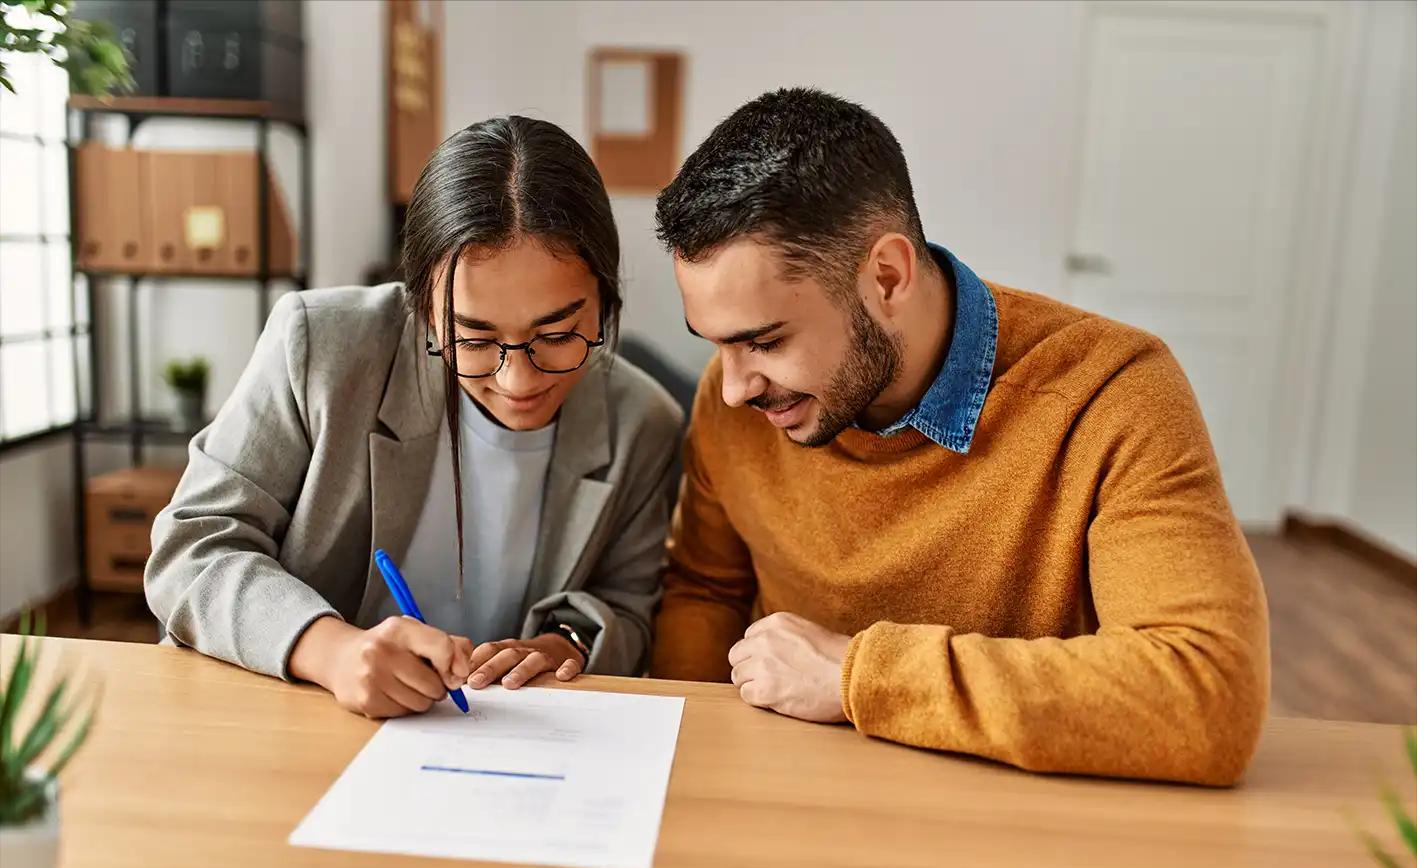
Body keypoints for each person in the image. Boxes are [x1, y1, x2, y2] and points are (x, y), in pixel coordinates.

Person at [650, 88, 1268, 786]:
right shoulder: (739, 403)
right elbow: (703, 590)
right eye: (717, 344)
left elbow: (1206, 694)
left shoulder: (1112, 392)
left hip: (1022, 825)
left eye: (763, 341)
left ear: (887, 276)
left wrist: (859, 674)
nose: (732, 386)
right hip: (794, 806)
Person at [146, 117, 682, 718]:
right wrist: (332, 651)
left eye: (557, 335)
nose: (518, 380)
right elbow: (191, 547)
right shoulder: (320, 348)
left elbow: (628, 606)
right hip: (286, 722)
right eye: (473, 338)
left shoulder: (643, 423)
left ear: (606, 304)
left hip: (494, 742)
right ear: (423, 307)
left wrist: (566, 644)